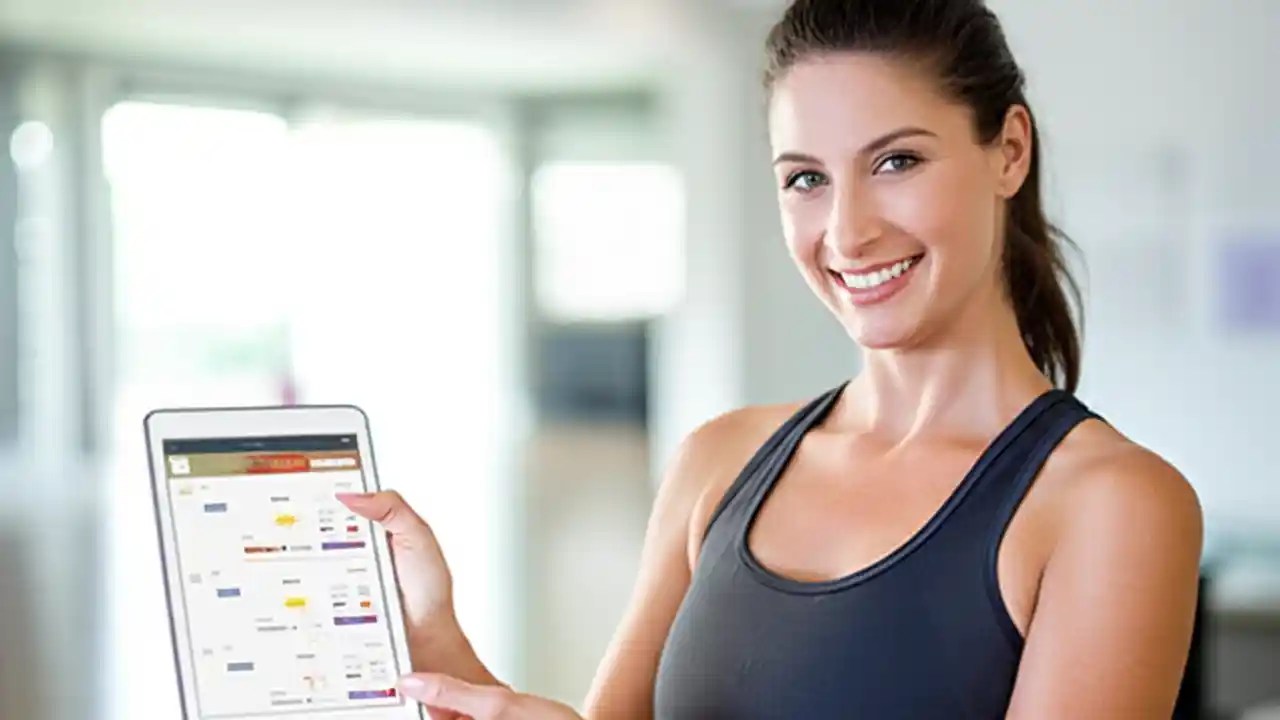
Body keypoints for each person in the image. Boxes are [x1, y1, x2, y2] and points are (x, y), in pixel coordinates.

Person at [337, 0, 1203, 716]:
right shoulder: (720, 460)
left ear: (1008, 149)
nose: (848, 230)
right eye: (806, 179)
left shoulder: (1112, 506)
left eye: (896, 161)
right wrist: (433, 643)